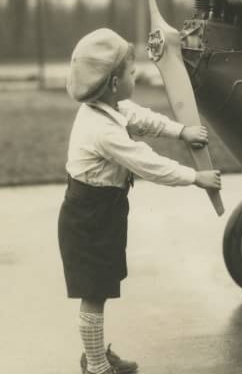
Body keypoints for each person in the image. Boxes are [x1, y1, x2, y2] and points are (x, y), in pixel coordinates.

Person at [59, 28, 222, 374]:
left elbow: (142, 119)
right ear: (114, 83)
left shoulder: (111, 107)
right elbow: (147, 162)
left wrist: (181, 131)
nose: (136, 74)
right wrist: (196, 177)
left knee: (100, 286)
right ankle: (98, 367)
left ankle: (95, 354)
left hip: (101, 209)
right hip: (89, 216)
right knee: (95, 291)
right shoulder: (101, 130)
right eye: (131, 72)